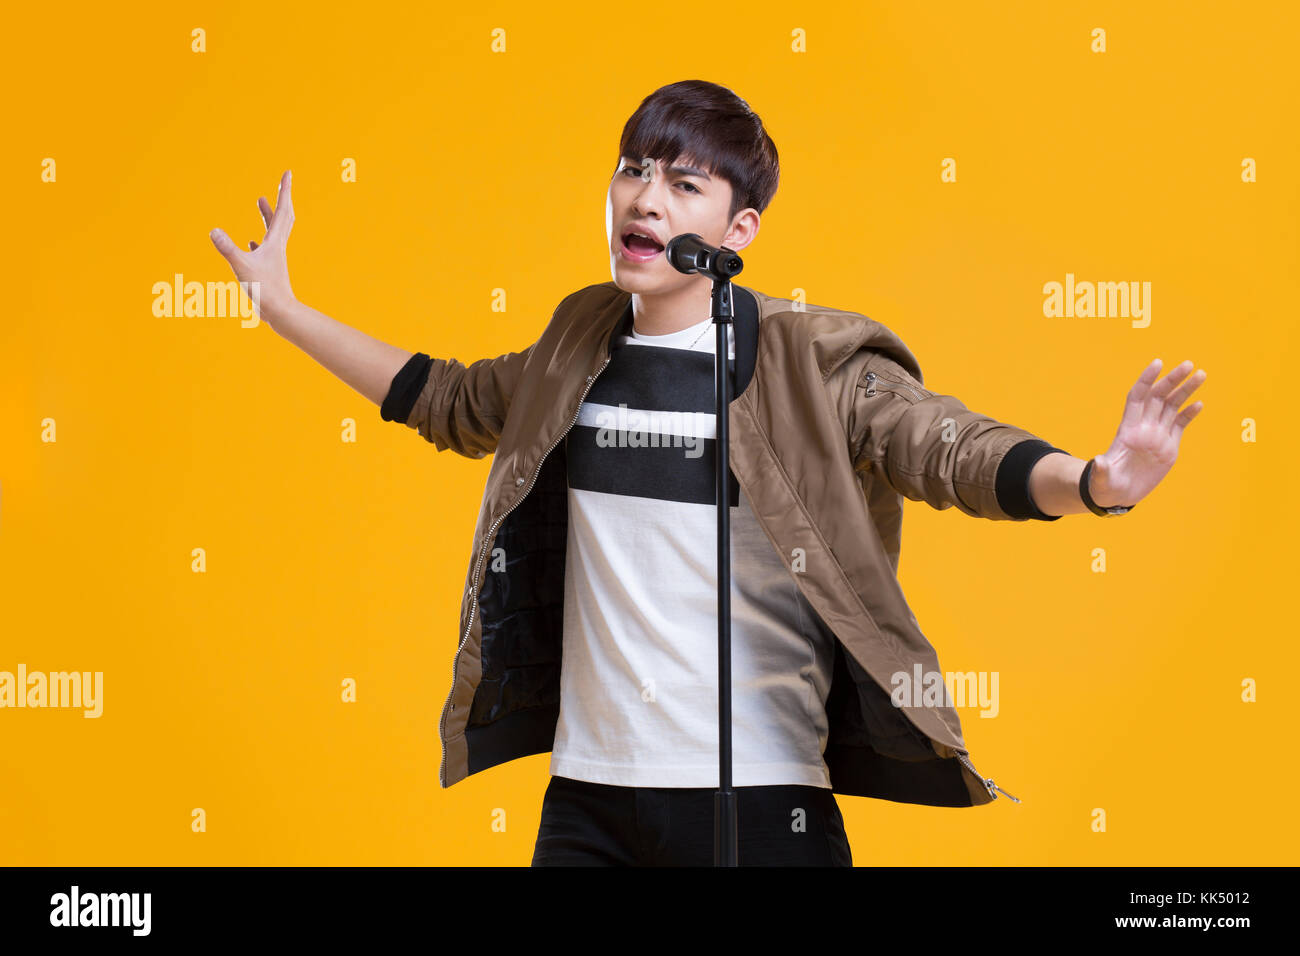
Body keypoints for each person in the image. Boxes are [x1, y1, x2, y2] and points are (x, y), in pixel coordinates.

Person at [210, 80, 1206, 867]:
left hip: (760, 802)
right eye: (633, 169)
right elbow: (451, 398)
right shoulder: (577, 343)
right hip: (589, 798)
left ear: (739, 230)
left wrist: (1095, 480)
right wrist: (285, 310)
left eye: (685, 184)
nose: (645, 197)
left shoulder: (805, 362)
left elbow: (943, 448)